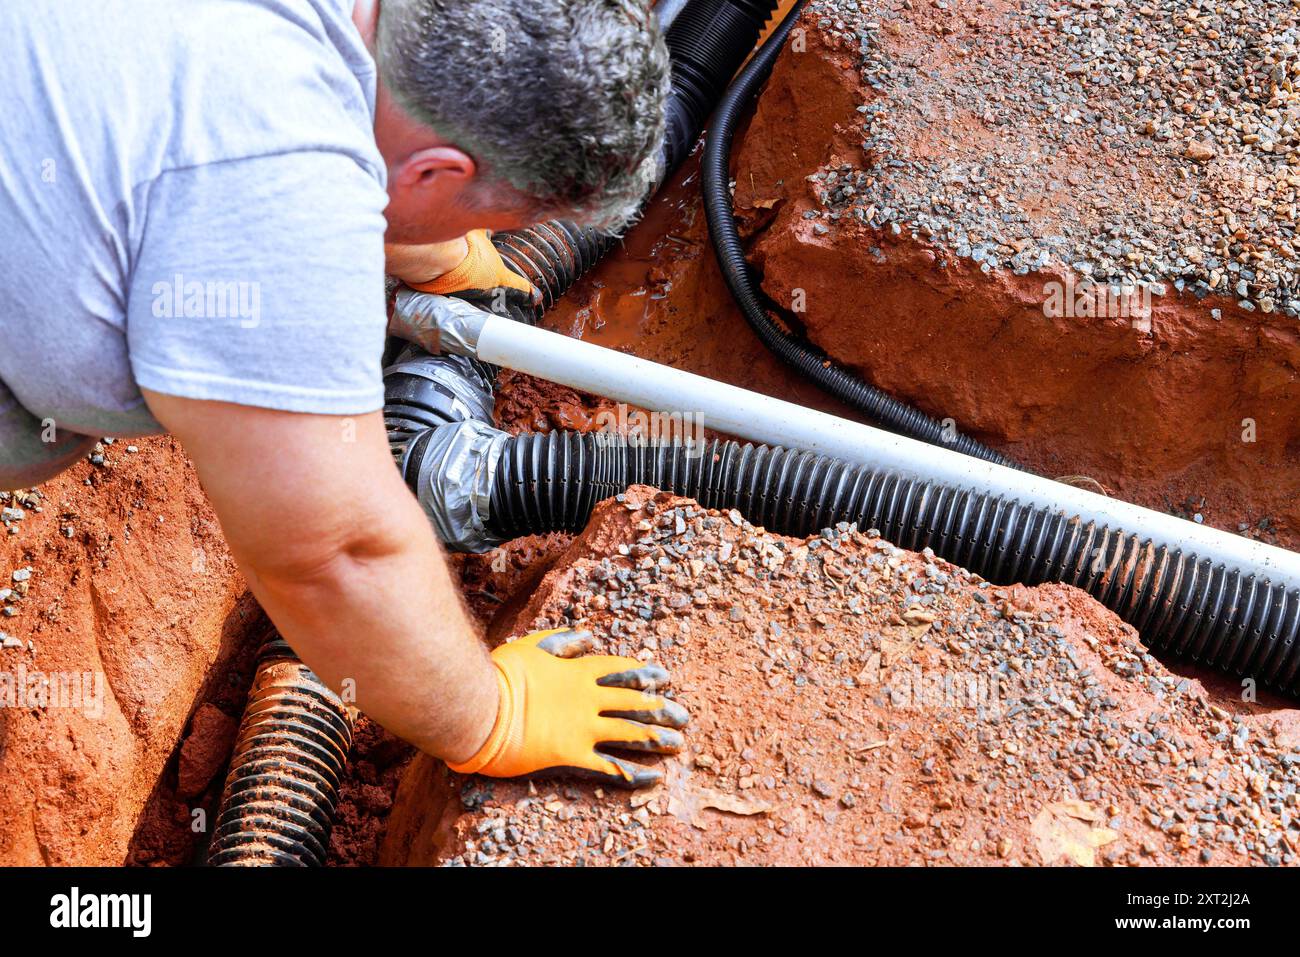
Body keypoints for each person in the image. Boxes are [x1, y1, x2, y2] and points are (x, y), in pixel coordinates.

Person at [0, 0, 687, 787]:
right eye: (500, 215)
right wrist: (497, 715)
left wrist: (423, 245)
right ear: (433, 172)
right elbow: (333, 554)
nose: (489, 234)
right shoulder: (275, 199)